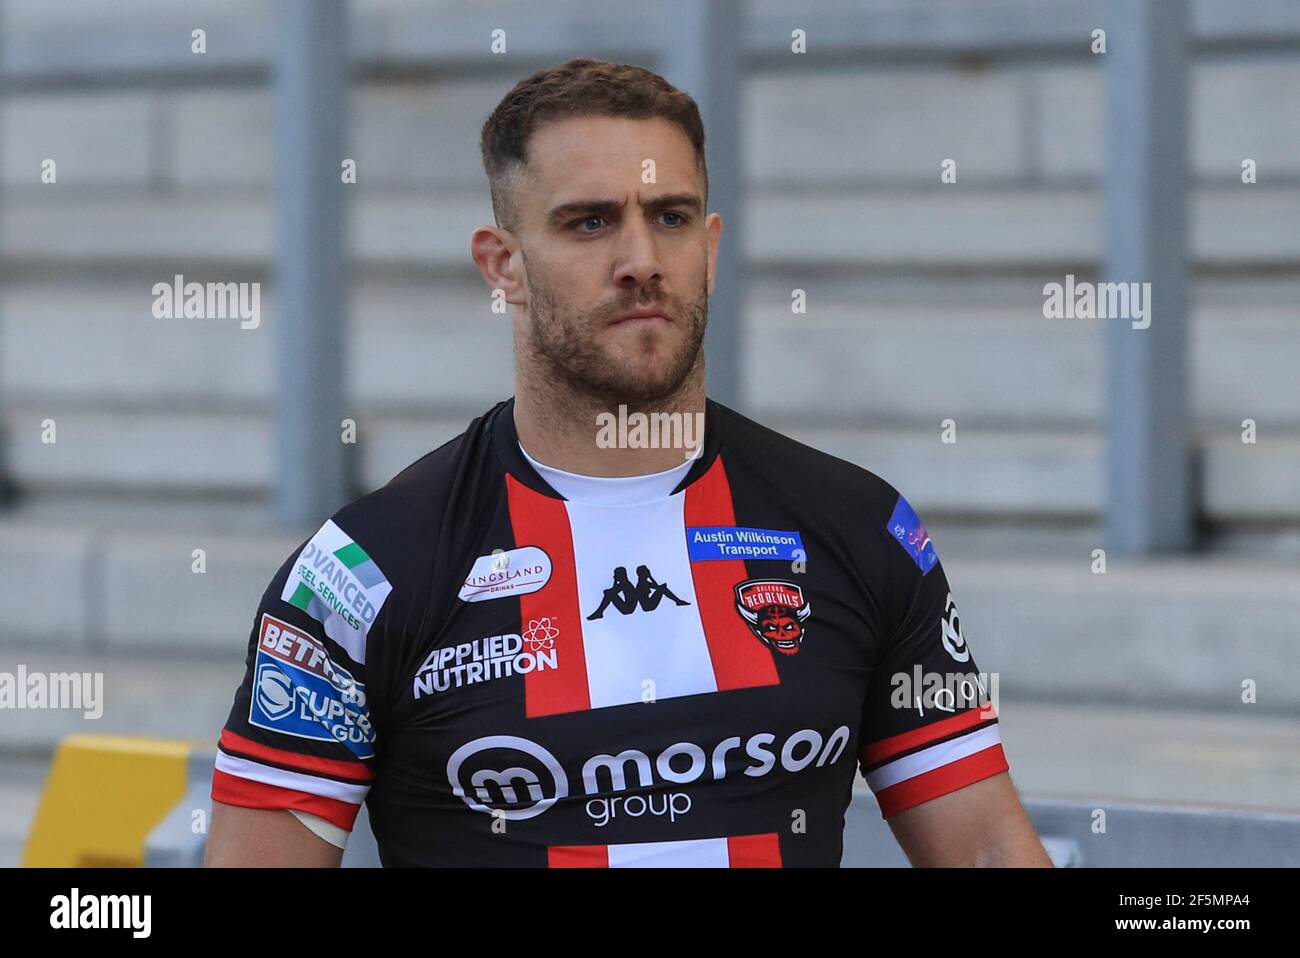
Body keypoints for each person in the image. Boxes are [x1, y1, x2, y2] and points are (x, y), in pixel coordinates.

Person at [205, 57, 1051, 867]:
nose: (641, 260)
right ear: (504, 267)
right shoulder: (363, 572)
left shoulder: (861, 527)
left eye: (671, 217)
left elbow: (983, 850)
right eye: (590, 222)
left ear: (711, 248)